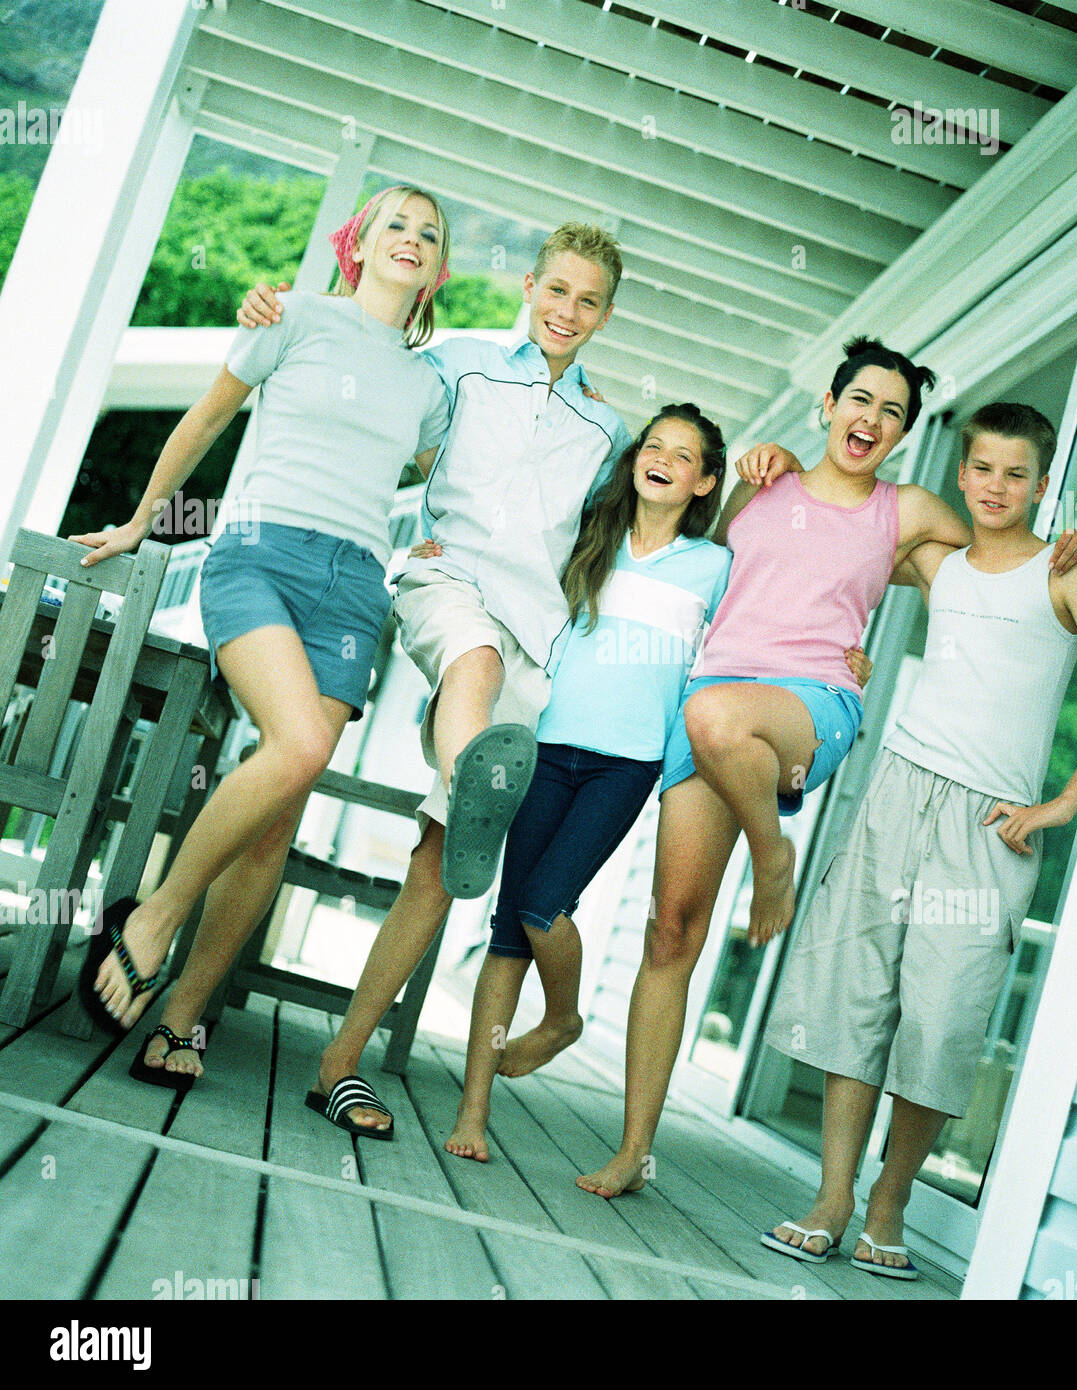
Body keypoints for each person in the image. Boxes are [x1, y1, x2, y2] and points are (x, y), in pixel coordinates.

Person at [574, 341, 1077, 1199]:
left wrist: (1062, 553)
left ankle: (772, 855)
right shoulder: (763, 482)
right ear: (828, 403)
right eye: (860, 400)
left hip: (808, 705)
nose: (871, 420)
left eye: (892, 412)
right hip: (716, 693)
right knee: (671, 926)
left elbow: (997, 568)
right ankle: (634, 1150)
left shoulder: (912, 508)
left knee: (717, 718)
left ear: (904, 434)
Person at [235, 224, 633, 1136]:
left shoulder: (607, 428)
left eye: (588, 301)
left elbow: (618, 534)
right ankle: (472, 777)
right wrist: (280, 308)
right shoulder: (458, 363)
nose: (567, 311)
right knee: (472, 664)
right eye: (556, 290)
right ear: (530, 286)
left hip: (535, 629)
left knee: (435, 863)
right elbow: (372, 378)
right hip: (447, 581)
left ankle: (341, 1062)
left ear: (606, 316)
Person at [71, 186, 454, 1101]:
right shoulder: (291, 318)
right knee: (302, 747)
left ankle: (179, 1019)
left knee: (282, 801)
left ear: (439, 270)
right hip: (257, 555)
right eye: (394, 224)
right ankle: (154, 918)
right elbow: (206, 416)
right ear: (355, 246)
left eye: (429, 234)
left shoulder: (433, 383)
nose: (411, 239)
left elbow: (442, 479)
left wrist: (439, 542)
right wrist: (138, 522)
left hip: (355, 587)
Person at [760, 401, 1077, 1278]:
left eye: (1017, 473)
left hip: (989, 821)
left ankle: (890, 1202)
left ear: (1043, 485)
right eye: (983, 469)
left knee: (942, 1014)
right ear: (962, 477)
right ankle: (834, 1195)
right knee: (855, 992)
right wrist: (779, 469)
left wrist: (1065, 803)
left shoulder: (1066, 574)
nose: (997, 485)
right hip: (897, 791)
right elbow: (822, 550)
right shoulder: (939, 563)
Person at [441, 404, 730, 1161]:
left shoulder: (715, 567)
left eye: (684, 454)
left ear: (703, 482)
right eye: (654, 446)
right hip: (545, 746)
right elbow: (510, 566)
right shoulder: (587, 543)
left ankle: (562, 1018)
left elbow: (763, 636)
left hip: (625, 764)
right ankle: (473, 1113)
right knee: (508, 931)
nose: (663, 458)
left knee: (541, 909)